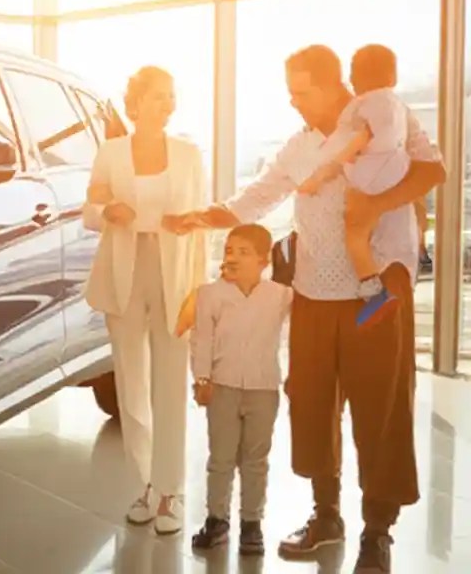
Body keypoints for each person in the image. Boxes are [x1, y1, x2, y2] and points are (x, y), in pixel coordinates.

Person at [188, 44, 445, 574]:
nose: (294, 102)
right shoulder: (300, 144)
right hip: (311, 297)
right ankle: (326, 517)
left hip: (374, 298)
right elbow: (259, 196)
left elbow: (433, 172)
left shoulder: (384, 113)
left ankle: (378, 532)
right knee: (309, 406)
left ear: (333, 87)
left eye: (301, 92)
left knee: (380, 410)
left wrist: (376, 204)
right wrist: (205, 216)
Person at [82, 65, 207, 535]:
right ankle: (146, 485)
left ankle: (171, 491)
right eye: (159, 96)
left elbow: (200, 229)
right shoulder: (111, 152)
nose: (168, 104)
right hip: (124, 273)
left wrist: (197, 289)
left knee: (170, 381)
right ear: (135, 104)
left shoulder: (189, 154)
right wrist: (108, 210)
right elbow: (90, 207)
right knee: (131, 382)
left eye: (172, 96)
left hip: (173, 274)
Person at [182, 223, 292, 557]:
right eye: (230, 251)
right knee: (221, 458)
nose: (234, 258)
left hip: (264, 389)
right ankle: (216, 520)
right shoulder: (210, 294)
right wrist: (202, 378)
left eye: (244, 252)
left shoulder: (281, 295)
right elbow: (201, 339)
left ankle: (251, 525)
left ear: (263, 260)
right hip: (223, 387)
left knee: (255, 460)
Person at [288, 44, 411, 326]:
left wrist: (329, 169)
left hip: (372, 172)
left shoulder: (370, 105)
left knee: (354, 233)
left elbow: (361, 138)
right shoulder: (395, 103)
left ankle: (373, 291)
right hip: (392, 168)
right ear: (392, 76)